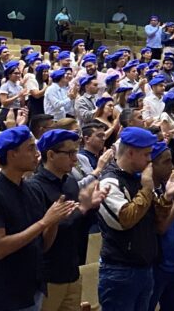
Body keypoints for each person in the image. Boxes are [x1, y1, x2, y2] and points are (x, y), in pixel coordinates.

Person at [0, 126, 78, 311]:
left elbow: (42, 246)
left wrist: (54, 221)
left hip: (31, 290)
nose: (37, 154)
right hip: (2, 297)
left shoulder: (32, 190)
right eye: (30, 148)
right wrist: (45, 222)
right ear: (12, 154)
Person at [24, 129, 105, 311]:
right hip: (48, 277)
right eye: (69, 153)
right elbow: (44, 234)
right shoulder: (34, 188)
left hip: (72, 270)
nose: (75, 159)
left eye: (75, 152)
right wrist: (82, 208)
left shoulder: (69, 182)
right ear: (51, 155)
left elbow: (79, 226)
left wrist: (92, 206)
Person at [98, 127, 172, 311]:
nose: (149, 160)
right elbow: (125, 219)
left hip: (144, 267)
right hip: (120, 271)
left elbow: (157, 221)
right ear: (131, 153)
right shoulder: (109, 182)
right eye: (146, 154)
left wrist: (168, 197)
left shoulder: (138, 178)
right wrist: (147, 189)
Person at [142, 141, 174, 311]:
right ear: (152, 165)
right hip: (156, 265)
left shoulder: (169, 186)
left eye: (171, 161)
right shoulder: (146, 192)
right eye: (166, 162)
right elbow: (161, 228)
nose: (171, 166)